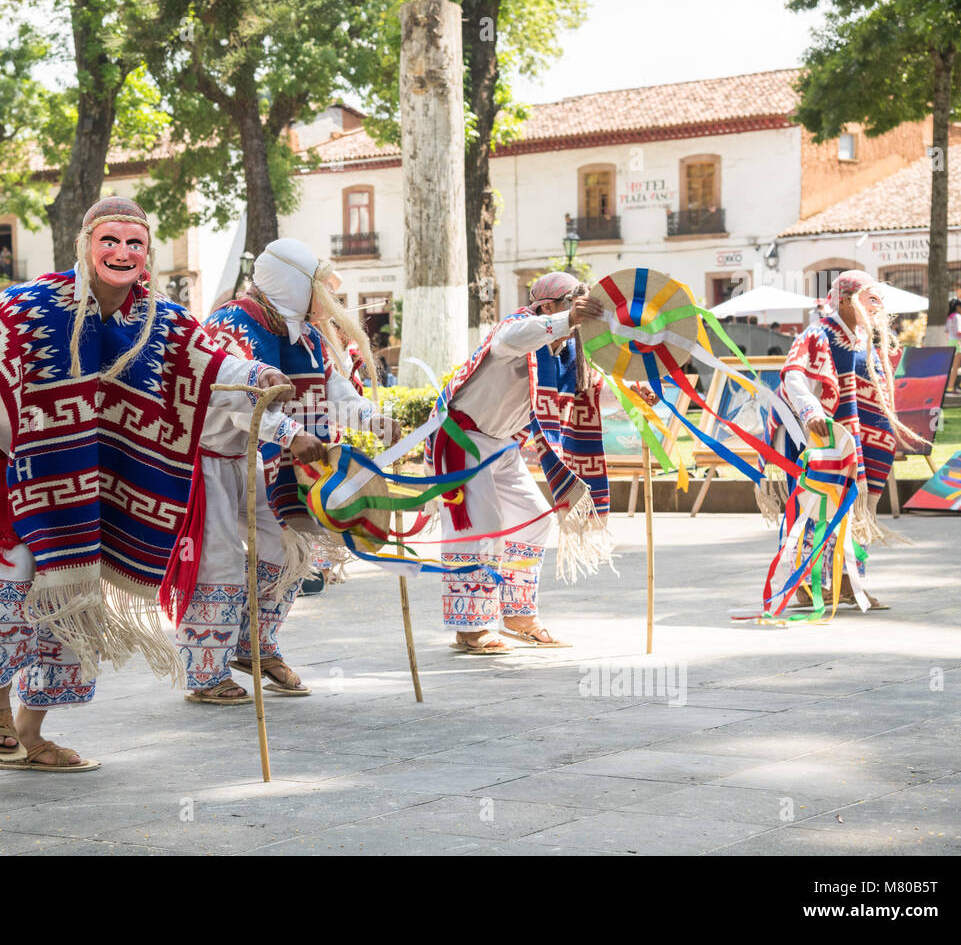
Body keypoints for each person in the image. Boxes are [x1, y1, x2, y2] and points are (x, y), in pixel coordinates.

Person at [0, 196, 295, 771]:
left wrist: (261, 377)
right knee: (9, 586)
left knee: (72, 603)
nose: (122, 252)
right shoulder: (26, 307)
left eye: (134, 243)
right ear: (85, 246)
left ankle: (30, 731)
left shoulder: (161, 323)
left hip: (87, 481)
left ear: (147, 254)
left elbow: (214, 367)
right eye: (109, 240)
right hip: (7, 468)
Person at [192, 239, 399, 701]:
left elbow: (336, 392)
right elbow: (235, 403)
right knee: (219, 564)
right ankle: (205, 673)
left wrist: (371, 419)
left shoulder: (305, 334)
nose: (324, 298)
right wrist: (290, 435)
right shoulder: (229, 325)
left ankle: (255, 645)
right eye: (316, 287)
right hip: (212, 461)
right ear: (290, 284)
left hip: (272, 464)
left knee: (287, 555)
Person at [425, 271, 648, 654]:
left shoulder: (567, 355)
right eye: (573, 308)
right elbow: (508, 340)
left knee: (535, 518)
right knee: (482, 526)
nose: (582, 321)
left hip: (502, 446)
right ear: (547, 307)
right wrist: (566, 320)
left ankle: (517, 614)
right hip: (460, 439)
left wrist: (635, 394)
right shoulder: (516, 329)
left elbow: (589, 394)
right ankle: (470, 626)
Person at [761, 270, 919, 608]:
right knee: (815, 507)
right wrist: (812, 412)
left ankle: (848, 583)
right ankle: (804, 585)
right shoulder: (818, 333)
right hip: (816, 438)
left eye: (879, 300)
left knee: (853, 507)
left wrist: (885, 429)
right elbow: (793, 375)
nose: (877, 306)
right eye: (870, 298)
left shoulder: (864, 337)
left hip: (854, 438)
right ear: (845, 300)